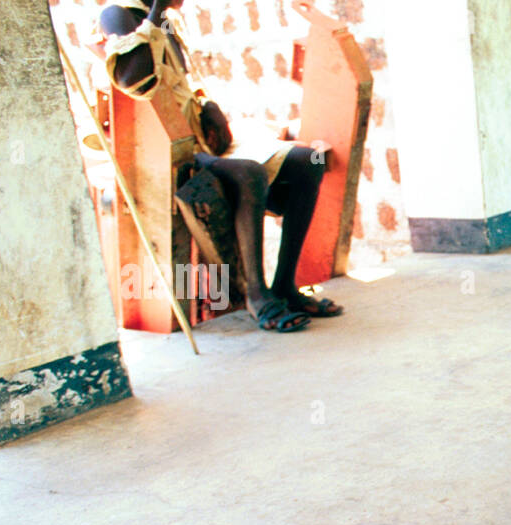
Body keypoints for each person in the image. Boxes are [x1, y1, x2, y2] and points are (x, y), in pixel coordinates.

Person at [99, 0, 344, 332]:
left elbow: (182, 84)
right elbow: (136, 79)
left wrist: (206, 103)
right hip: (172, 153)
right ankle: (257, 296)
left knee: (309, 161)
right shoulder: (119, 15)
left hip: (202, 141)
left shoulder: (168, 22)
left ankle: (285, 284)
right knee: (250, 174)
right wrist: (157, 10)